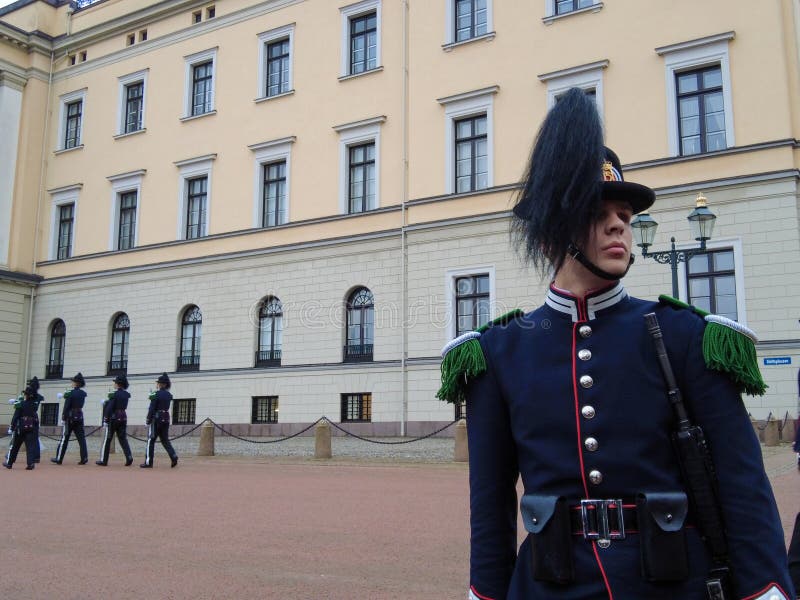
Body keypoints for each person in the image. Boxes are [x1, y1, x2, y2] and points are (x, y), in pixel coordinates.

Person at [439, 89, 794, 599]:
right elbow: (490, 508)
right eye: (596, 211)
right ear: (550, 232)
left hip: (671, 584)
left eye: (625, 215)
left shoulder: (687, 338)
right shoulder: (499, 354)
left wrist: (766, 591)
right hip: (547, 584)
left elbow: (744, 488)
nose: (619, 224)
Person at [140, 372, 178, 468]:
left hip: (156, 418)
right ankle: (173, 456)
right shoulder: (169, 395)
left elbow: (152, 408)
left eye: (159, 383)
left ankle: (148, 462)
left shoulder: (156, 394)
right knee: (165, 440)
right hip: (166, 417)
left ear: (162, 384)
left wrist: (148, 420)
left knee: (151, 440)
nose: (158, 384)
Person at [51, 372, 89, 465]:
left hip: (70, 417)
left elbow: (67, 406)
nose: (72, 383)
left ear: (76, 383)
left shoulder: (70, 393)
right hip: (79, 416)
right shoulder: (83, 393)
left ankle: (59, 458)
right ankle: (84, 458)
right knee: (81, 439)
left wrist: (63, 417)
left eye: (73, 382)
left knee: (65, 438)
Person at [3, 379, 41, 470]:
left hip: (20, 428)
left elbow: (16, 416)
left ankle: (9, 463)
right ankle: (30, 464)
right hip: (30, 427)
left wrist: (11, 427)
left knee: (15, 446)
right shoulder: (34, 405)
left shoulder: (21, 404)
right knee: (30, 446)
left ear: (26, 395)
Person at [96, 374, 133, 466]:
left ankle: (103, 460)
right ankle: (129, 457)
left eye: (115, 383)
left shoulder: (114, 394)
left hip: (114, 417)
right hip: (123, 416)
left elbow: (110, 408)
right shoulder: (126, 394)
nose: (114, 384)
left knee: (107, 439)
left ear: (118, 384)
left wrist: (105, 419)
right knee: (123, 439)